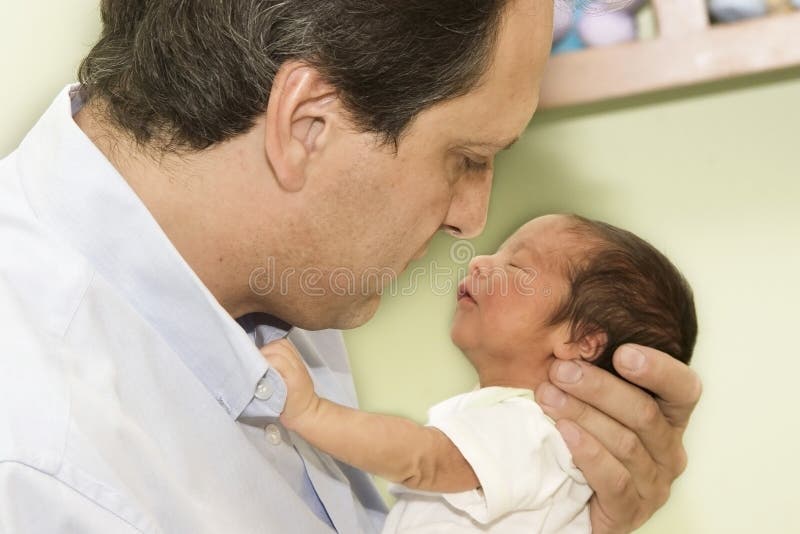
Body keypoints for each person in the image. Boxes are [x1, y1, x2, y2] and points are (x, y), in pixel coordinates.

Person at [0, 1, 702, 532]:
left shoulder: (279, 263)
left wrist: (555, 513)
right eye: (467, 157)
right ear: (306, 125)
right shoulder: (44, 473)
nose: (472, 219)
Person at [261, 214, 698, 533]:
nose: (480, 261)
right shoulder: (530, 432)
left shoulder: (535, 430)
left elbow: (421, 459)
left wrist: (312, 412)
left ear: (582, 340)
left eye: (517, 267)